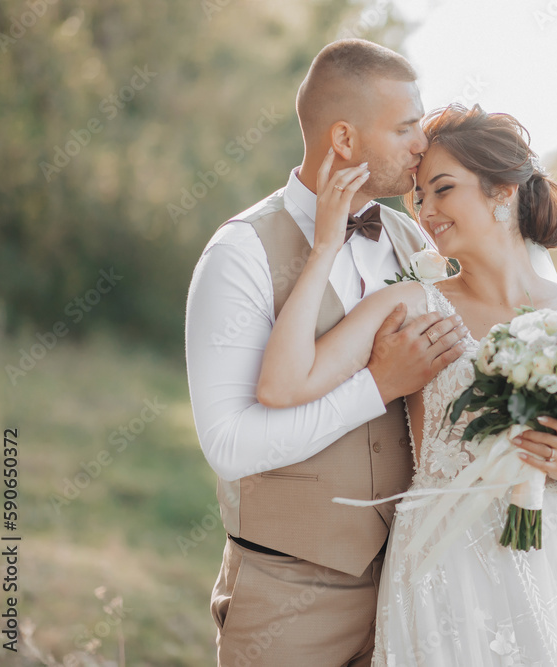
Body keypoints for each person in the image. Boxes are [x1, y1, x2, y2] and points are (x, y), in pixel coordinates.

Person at [257, 103, 557, 665]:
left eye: (442, 189)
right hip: (442, 558)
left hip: (552, 556)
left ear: (503, 191)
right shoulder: (411, 306)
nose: (425, 211)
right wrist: (325, 246)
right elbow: (283, 384)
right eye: (418, 196)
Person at [184, 40, 494, 666]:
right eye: (406, 127)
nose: (421, 144)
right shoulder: (240, 253)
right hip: (289, 595)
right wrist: (375, 386)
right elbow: (230, 445)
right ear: (345, 140)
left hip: (410, 584)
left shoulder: (412, 238)